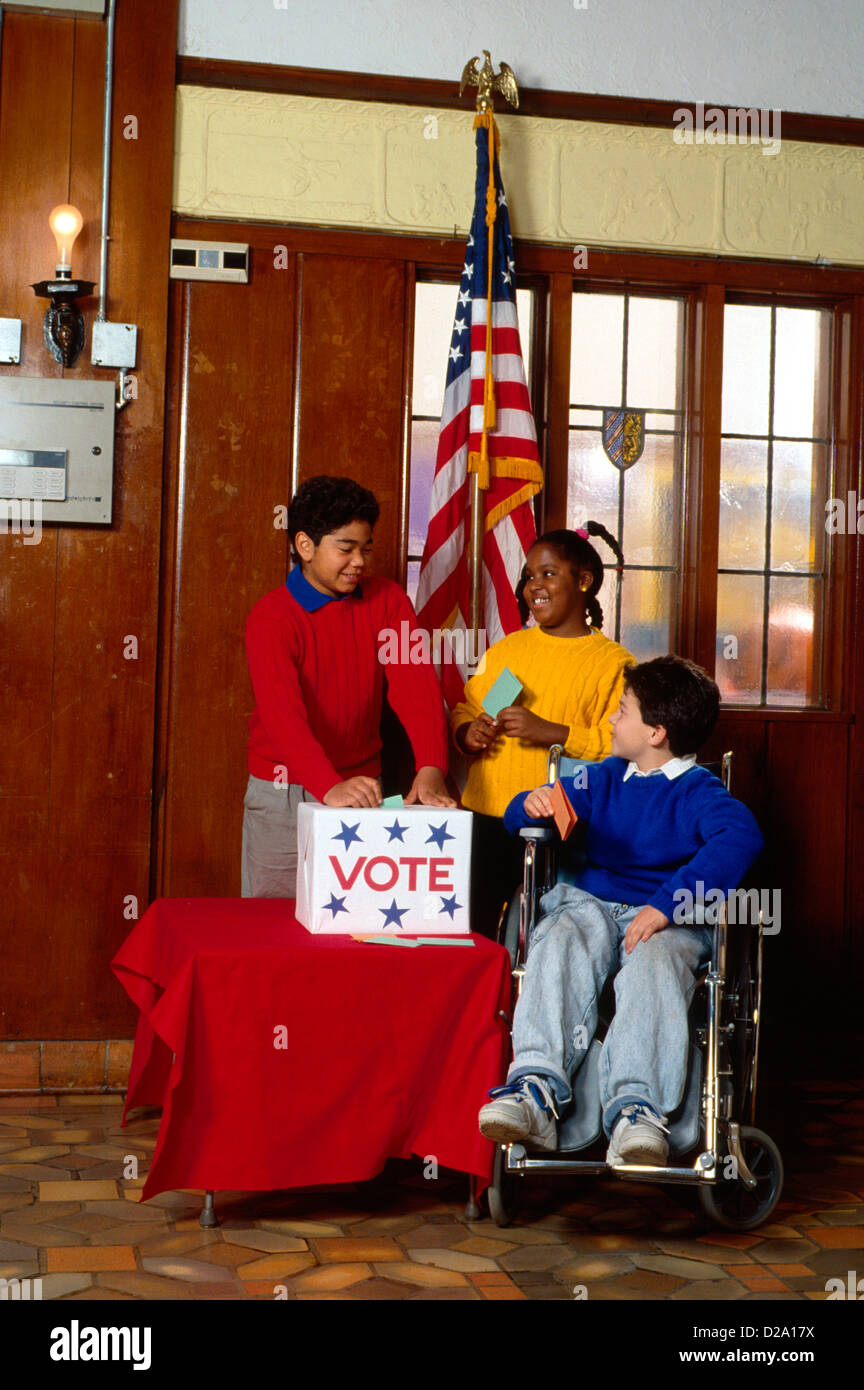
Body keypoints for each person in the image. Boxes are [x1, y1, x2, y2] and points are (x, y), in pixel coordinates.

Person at [478, 655, 764, 1166]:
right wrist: (535, 802)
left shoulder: (698, 791)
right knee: (561, 933)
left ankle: (638, 1111)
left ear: (656, 733)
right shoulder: (605, 778)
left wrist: (666, 905)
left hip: (665, 919)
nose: (611, 719)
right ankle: (535, 1090)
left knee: (655, 961)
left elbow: (740, 837)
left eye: (622, 710)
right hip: (591, 906)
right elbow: (520, 814)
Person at [242, 475, 455, 898]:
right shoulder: (271, 617)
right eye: (346, 548)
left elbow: (416, 687)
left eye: (366, 549)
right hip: (284, 793)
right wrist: (328, 785)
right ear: (305, 546)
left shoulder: (389, 601)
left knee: (356, 924)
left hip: (363, 786)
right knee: (272, 927)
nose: (359, 561)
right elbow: (283, 718)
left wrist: (431, 766)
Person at [450, 525, 634, 936]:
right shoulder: (508, 651)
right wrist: (469, 732)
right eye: (530, 576)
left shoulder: (611, 663)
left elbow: (625, 747)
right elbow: (470, 708)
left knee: (542, 933)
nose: (535, 585)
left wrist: (555, 732)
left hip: (560, 826)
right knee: (478, 928)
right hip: (487, 819)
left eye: (549, 574)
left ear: (583, 581)